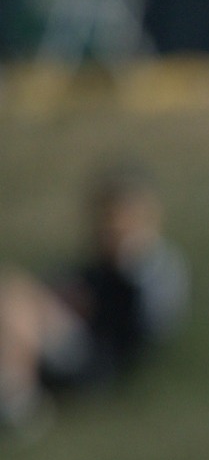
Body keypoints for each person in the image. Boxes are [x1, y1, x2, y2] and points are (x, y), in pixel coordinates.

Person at [0, 164, 189, 438]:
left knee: (15, 298)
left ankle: (17, 402)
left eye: (118, 216)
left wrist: (126, 265)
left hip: (98, 361)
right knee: (16, 296)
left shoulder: (150, 267)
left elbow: (146, 330)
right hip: (78, 342)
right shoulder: (98, 268)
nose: (110, 226)